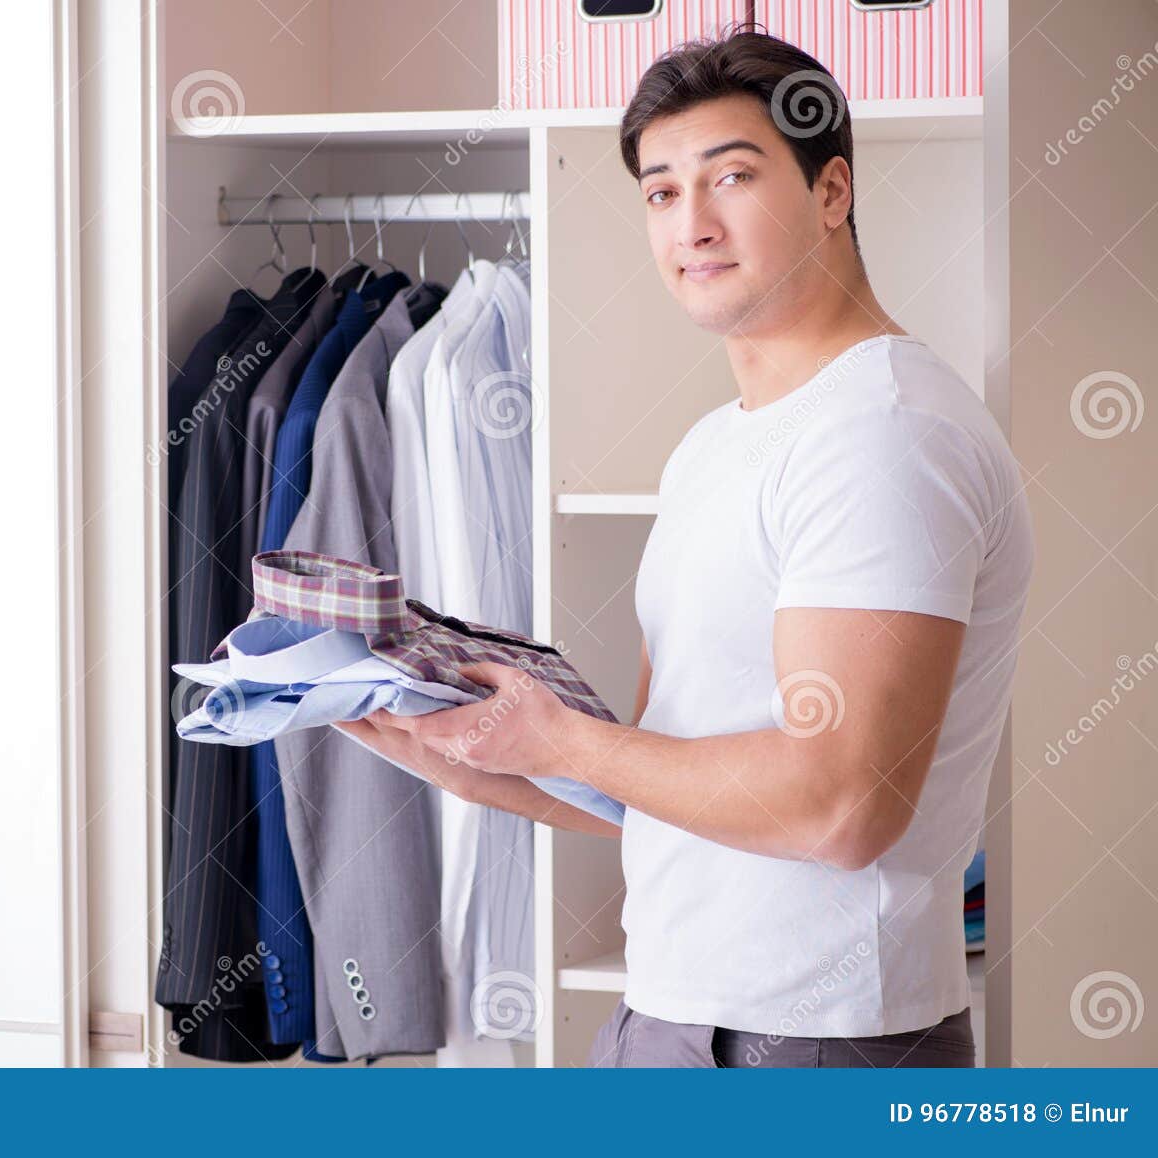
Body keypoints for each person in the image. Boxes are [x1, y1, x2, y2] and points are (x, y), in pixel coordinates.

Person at [335, 27, 1033, 1069]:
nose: (690, 223)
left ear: (831, 192)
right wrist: (494, 769)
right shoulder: (717, 445)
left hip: (809, 1045)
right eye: (660, 192)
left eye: (731, 177)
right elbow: (681, 776)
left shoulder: (884, 434)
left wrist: (561, 741)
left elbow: (842, 805)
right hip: (667, 1018)